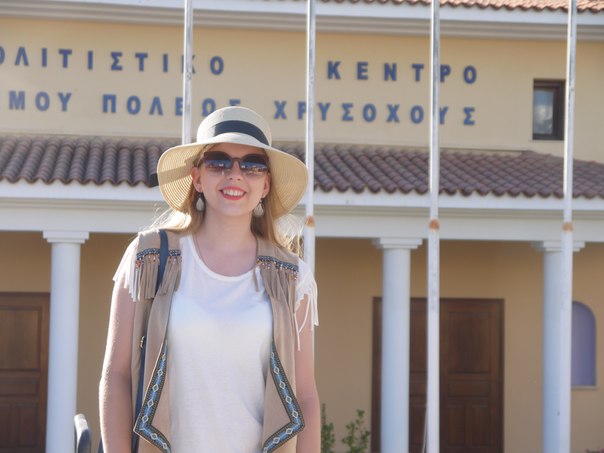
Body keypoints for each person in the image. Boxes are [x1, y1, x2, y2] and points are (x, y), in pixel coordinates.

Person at [99, 106, 320, 453]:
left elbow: (304, 394)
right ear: (197, 178)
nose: (235, 175)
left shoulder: (292, 277)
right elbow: (117, 375)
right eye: (218, 162)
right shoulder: (148, 257)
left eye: (252, 165)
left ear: (265, 185)